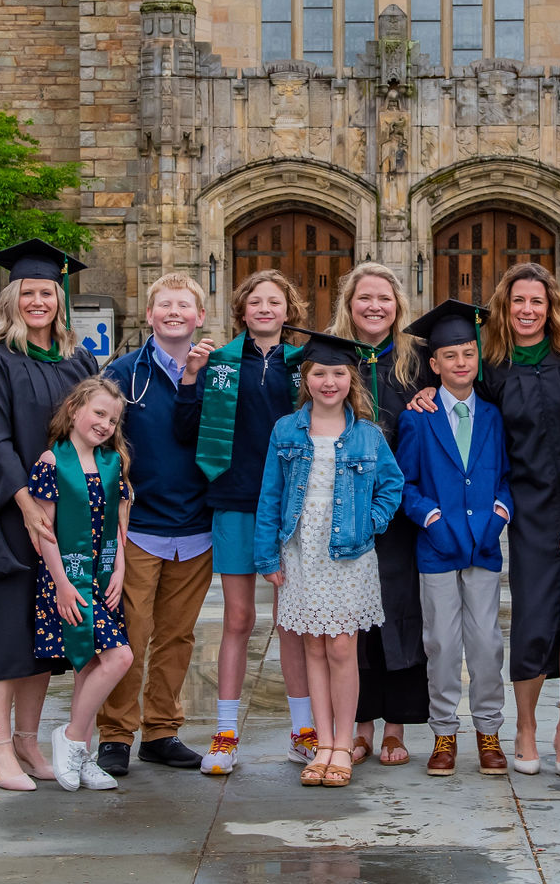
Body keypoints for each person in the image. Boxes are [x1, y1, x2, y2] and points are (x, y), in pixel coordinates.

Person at [0, 238, 99, 791]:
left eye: (48, 292)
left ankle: (27, 741)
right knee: (5, 629)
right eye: (29, 292)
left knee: (43, 633)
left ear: (61, 298)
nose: (38, 301)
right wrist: (23, 500)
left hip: (63, 519)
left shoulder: (79, 360)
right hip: (9, 514)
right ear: (12, 298)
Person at [176, 269, 313, 772]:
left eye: (274, 302)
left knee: (291, 621)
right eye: (255, 301)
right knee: (238, 619)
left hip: (289, 505)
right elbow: (186, 429)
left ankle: (303, 731)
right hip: (234, 498)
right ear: (242, 310)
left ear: (288, 310)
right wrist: (191, 377)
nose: (264, 309)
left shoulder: (304, 365)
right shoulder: (219, 364)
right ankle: (226, 732)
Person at [254, 329, 403, 788]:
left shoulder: (367, 436)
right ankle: (321, 744)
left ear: (351, 379)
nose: (329, 381)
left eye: (338, 373)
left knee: (341, 645)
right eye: (319, 373)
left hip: (349, 555)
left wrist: (370, 523)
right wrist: (267, 555)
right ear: (306, 378)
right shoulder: (286, 430)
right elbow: (271, 495)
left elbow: (392, 485)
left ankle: (342, 742)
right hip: (301, 550)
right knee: (312, 646)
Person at [95, 273, 214, 778]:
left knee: (177, 636)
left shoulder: (216, 372)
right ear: (148, 315)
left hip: (197, 525)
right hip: (139, 527)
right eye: (164, 305)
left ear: (200, 316)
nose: (173, 313)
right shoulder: (123, 373)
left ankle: (162, 730)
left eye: (184, 306)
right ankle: (117, 733)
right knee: (129, 633)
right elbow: (100, 444)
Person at [396, 299, 514, 779]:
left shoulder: (493, 415)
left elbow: (505, 475)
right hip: (437, 546)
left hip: (484, 543)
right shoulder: (417, 417)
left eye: (468, 353)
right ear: (434, 364)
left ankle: (489, 731)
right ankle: (444, 733)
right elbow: (405, 482)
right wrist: (430, 518)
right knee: (441, 641)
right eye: (451, 356)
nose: (461, 362)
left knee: (486, 642)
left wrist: (500, 512)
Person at [331, 263, 427, 767]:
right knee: (353, 618)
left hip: (403, 506)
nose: (374, 307)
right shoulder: (333, 360)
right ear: (349, 304)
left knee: (399, 612)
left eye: (384, 299)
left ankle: (395, 728)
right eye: (364, 298)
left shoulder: (419, 360)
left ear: (397, 305)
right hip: (345, 506)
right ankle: (360, 725)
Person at [29, 378, 135, 792]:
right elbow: (43, 532)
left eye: (113, 419)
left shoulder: (113, 463)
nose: (106, 424)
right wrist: (61, 585)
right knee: (118, 658)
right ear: (74, 410)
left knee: (91, 667)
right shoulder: (52, 462)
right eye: (99, 413)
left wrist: (121, 569)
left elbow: (120, 529)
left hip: (105, 578)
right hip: (70, 582)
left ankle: (83, 755)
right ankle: (72, 737)